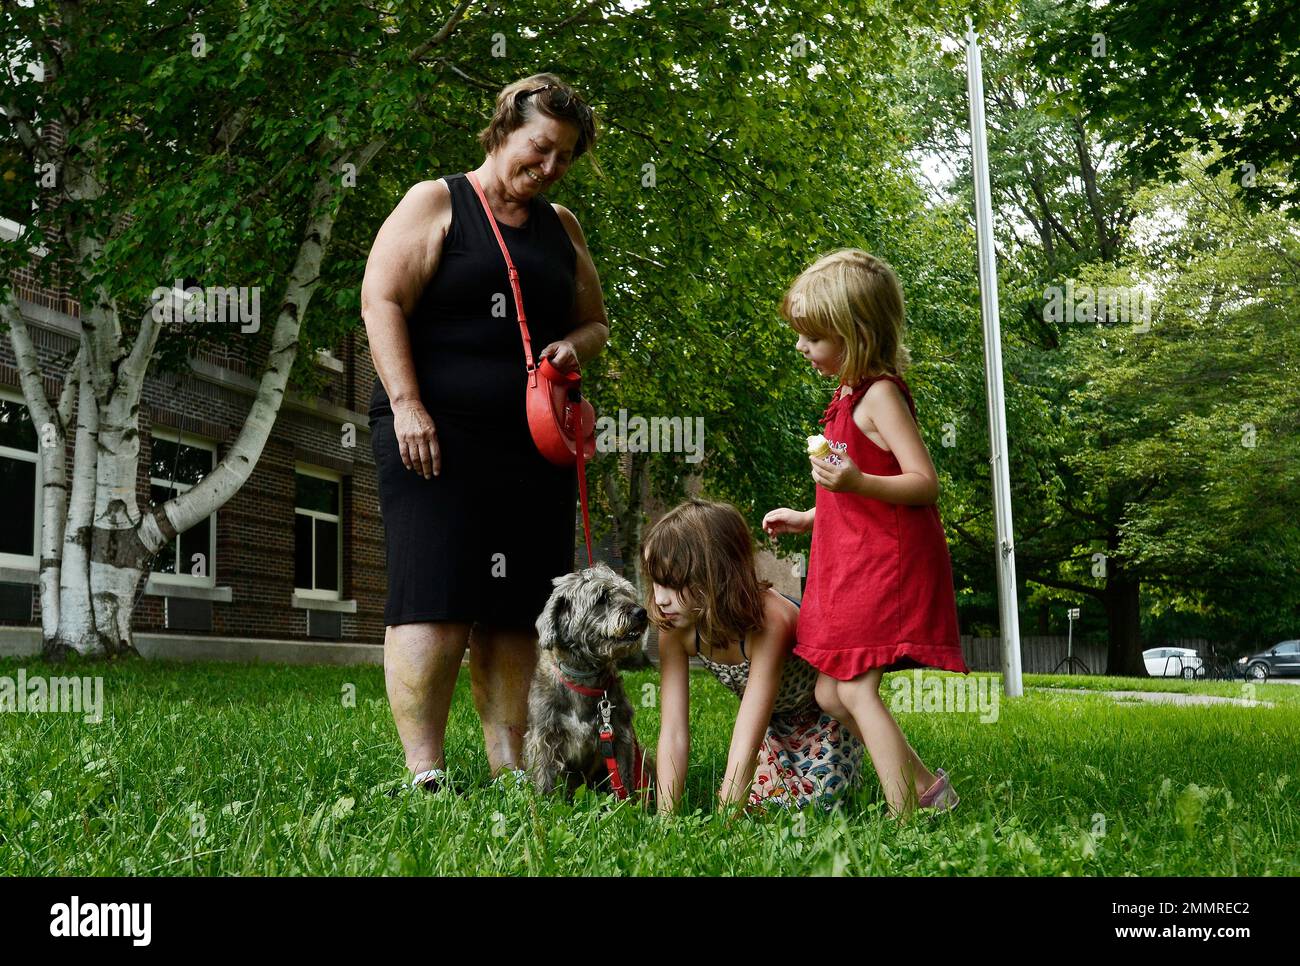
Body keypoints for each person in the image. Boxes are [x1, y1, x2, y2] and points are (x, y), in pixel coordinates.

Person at [361, 74, 607, 792]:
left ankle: (510, 766)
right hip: (433, 436)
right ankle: (425, 771)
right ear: (502, 130)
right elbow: (381, 301)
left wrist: (575, 349)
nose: (552, 167)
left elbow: (594, 322)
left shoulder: (562, 228)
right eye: (541, 148)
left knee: (514, 613)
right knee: (434, 600)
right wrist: (407, 403)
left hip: (533, 444)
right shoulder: (436, 202)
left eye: (565, 157)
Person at [762, 248, 967, 818]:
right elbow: (849, 493)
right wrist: (808, 516)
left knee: (853, 690)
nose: (801, 347)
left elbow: (923, 483)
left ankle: (905, 816)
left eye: (813, 337)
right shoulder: (845, 400)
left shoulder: (880, 395)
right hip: (852, 559)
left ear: (853, 334)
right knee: (831, 692)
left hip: (888, 565)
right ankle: (930, 790)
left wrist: (853, 481)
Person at [646, 499, 863, 815]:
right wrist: (667, 819)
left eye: (673, 583)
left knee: (816, 808)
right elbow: (674, 731)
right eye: (655, 580)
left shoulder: (770, 621)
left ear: (717, 575)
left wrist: (724, 822)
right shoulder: (676, 627)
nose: (660, 598)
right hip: (771, 725)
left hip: (824, 717)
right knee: (759, 807)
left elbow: (747, 734)